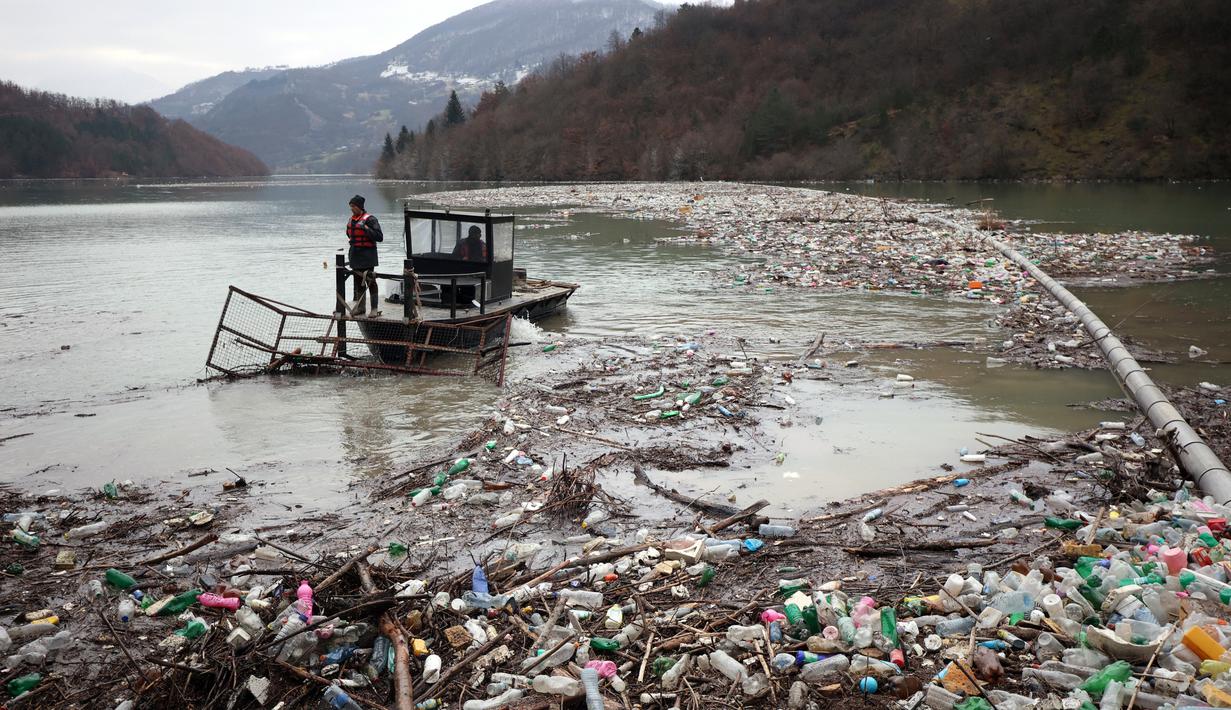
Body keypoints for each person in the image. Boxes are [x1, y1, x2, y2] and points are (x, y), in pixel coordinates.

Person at [345, 194, 383, 317]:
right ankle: (361, 308)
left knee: (370, 281)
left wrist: (365, 228)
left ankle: (374, 309)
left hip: (367, 255)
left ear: (359, 207)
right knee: (358, 282)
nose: (351, 209)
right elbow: (349, 234)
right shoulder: (351, 220)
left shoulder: (371, 219)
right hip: (355, 254)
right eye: (350, 206)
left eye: (353, 206)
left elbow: (379, 237)